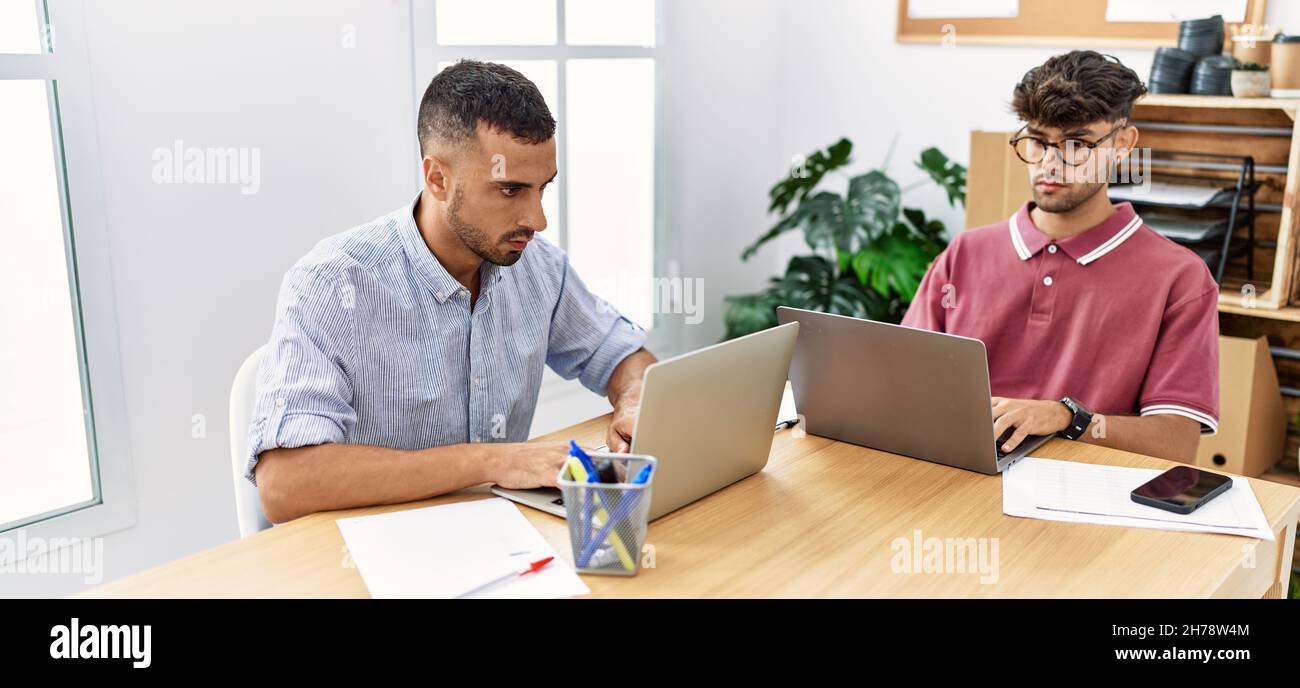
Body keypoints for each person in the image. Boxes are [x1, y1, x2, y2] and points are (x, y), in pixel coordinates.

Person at [245, 60, 656, 523]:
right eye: (510, 190)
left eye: (542, 189)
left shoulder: (538, 267)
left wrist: (638, 402)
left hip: (500, 542)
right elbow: (285, 484)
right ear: (437, 178)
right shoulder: (333, 282)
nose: (537, 219)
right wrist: (493, 460)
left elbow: (622, 354)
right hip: (367, 560)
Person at [903, 50, 1219, 462]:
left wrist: (1065, 416)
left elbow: (1176, 441)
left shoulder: (1181, 278)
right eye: (1037, 141)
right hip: (956, 479)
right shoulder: (965, 253)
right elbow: (906, 384)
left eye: (1077, 144)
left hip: (1086, 503)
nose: (1050, 164)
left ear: (1123, 145)